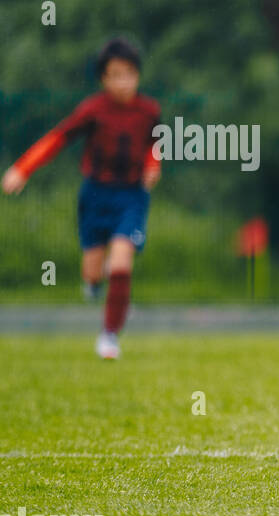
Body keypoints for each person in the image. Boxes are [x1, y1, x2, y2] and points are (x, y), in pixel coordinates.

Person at [2, 37, 162, 360]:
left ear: (138, 76)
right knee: (93, 271)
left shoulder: (149, 111)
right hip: (95, 196)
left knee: (121, 259)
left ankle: (109, 336)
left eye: (128, 74)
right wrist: (23, 168)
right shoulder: (92, 110)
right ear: (103, 79)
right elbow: (58, 138)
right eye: (115, 75)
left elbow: (158, 144)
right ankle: (92, 282)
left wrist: (153, 165)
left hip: (131, 196)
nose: (122, 82)